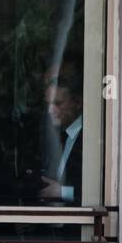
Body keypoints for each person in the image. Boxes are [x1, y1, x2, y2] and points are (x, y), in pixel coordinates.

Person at [40, 68, 83, 205]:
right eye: (48, 104)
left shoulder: (94, 139)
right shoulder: (54, 134)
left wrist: (62, 193)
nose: (50, 110)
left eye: (57, 103)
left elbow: (101, 191)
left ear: (77, 103)